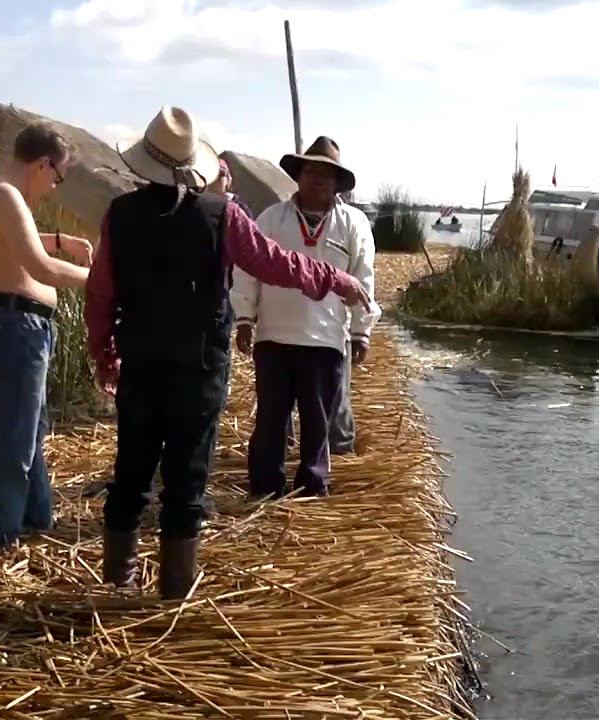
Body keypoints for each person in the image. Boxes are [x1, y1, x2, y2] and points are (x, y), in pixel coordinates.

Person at [84, 106, 370, 600]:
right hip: (197, 369)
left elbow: (100, 291)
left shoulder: (121, 214)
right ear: (193, 166)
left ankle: (117, 585)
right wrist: (333, 278)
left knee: (131, 469)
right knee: (186, 478)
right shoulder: (221, 215)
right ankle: (174, 594)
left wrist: (103, 350)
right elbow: (274, 262)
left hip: (142, 363)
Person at [0, 122, 96, 550]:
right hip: (17, 325)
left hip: (10, 322)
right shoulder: (6, 195)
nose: (54, 187)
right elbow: (40, 268)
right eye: (58, 177)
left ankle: (36, 519)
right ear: (42, 164)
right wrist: (100, 280)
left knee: (29, 429)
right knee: (15, 438)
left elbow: (13, 240)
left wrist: (58, 240)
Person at [232, 136, 380, 498]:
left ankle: (312, 487)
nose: (317, 179)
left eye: (326, 174)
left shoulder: (354, 223)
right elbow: (247, 268)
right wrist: (244, 318)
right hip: (273, 338)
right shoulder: (271, 218)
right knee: (271, 419)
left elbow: (363, 277)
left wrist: (361, 332)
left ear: (338, 182)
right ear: (298, 176)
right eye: (311, 171)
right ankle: (265, 487)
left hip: (326, 342)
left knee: (318, 422)